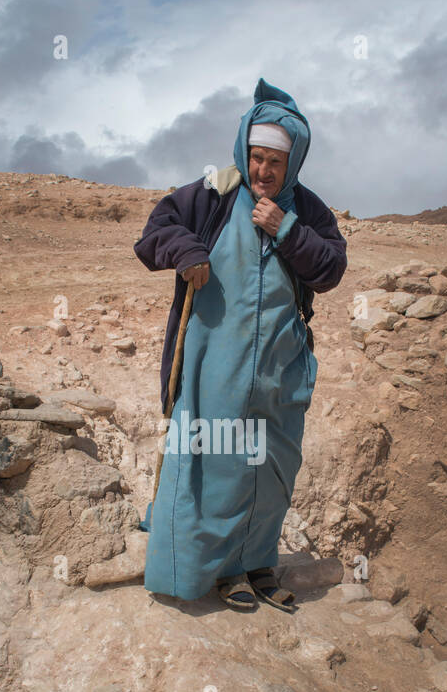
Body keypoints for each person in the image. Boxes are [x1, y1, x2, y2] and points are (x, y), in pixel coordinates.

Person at [134, 78, 346, 611]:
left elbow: (331, 270)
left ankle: (258, 563)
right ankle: (220, 570)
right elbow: (155, 229)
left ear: (293, 161)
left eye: (276, 162)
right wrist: (186, 251)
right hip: (214, 360)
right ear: (243, 151)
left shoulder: (310, 209)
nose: (264, 172)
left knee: (272, 466)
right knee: (218, 460)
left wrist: (287, 228)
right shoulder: (215, 191)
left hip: (280, 364)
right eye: (256, 158)